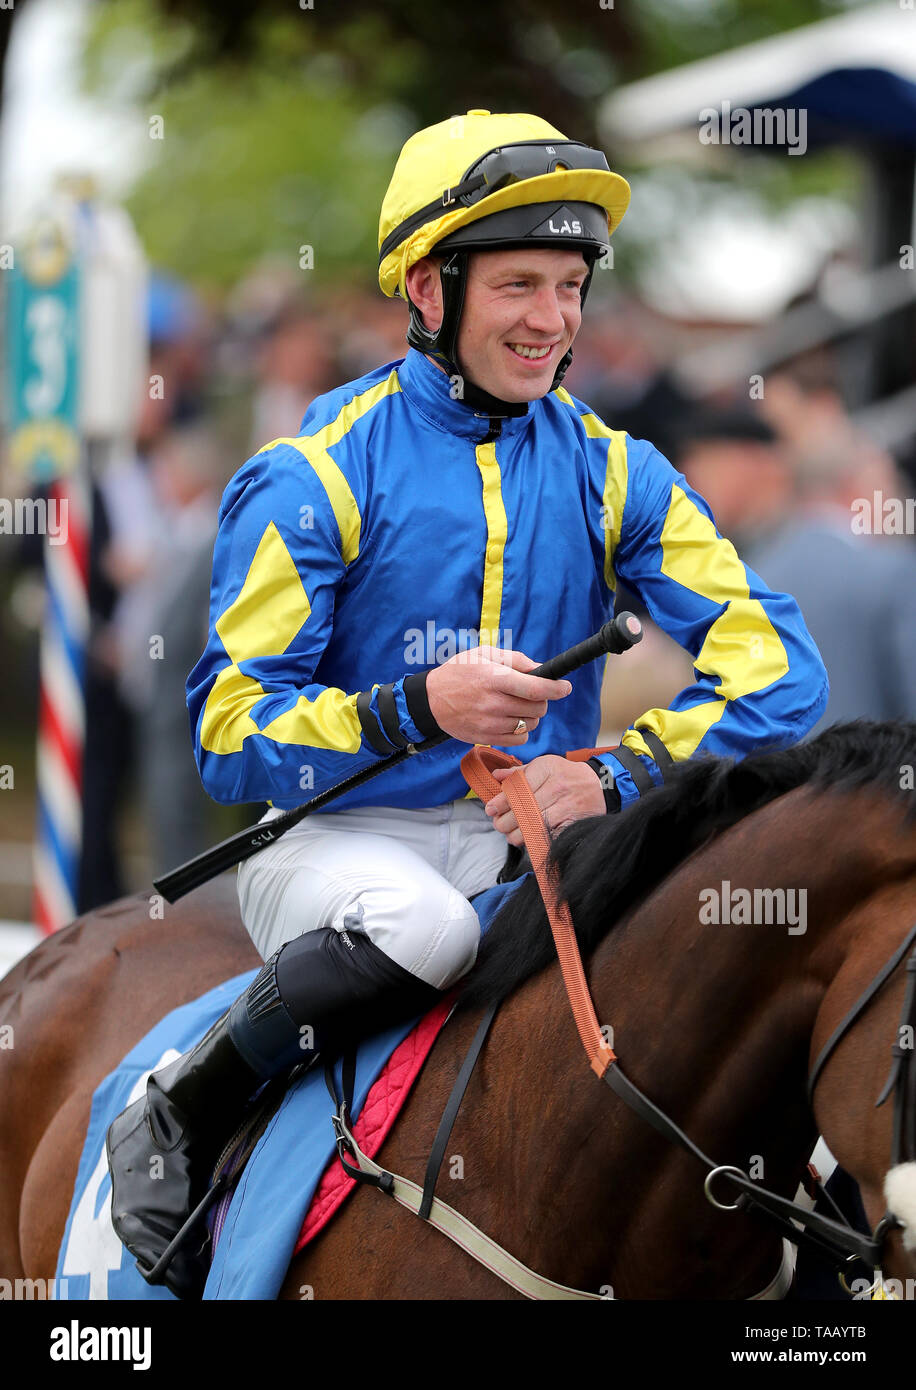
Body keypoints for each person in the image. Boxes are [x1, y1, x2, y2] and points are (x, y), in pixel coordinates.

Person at [106, 109, 828, 1298]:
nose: (552, 321)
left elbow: (777, 667)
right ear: (429, 291)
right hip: (341, 846)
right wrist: (410, 709)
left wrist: (614, 771)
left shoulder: (616, 471)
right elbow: (230, 731)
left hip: (536, 841)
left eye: (569, 286)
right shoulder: (314, 472)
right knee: (429, 931)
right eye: (518, 286)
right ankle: (179, 1113)